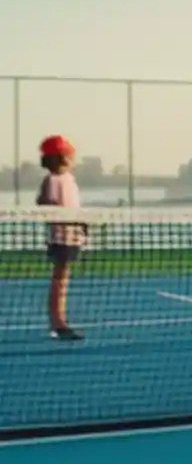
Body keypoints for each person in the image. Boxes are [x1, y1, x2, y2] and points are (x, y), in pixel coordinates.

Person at [37, 136, 85, 342]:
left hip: (72, 236)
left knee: (63, 278)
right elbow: (45, 204)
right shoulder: (52, 180)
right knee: (60, 278)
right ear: (62, 158)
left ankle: (59, 320)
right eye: (69, 154)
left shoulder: (70, 180)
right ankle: (58, 322)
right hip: (60, 236)